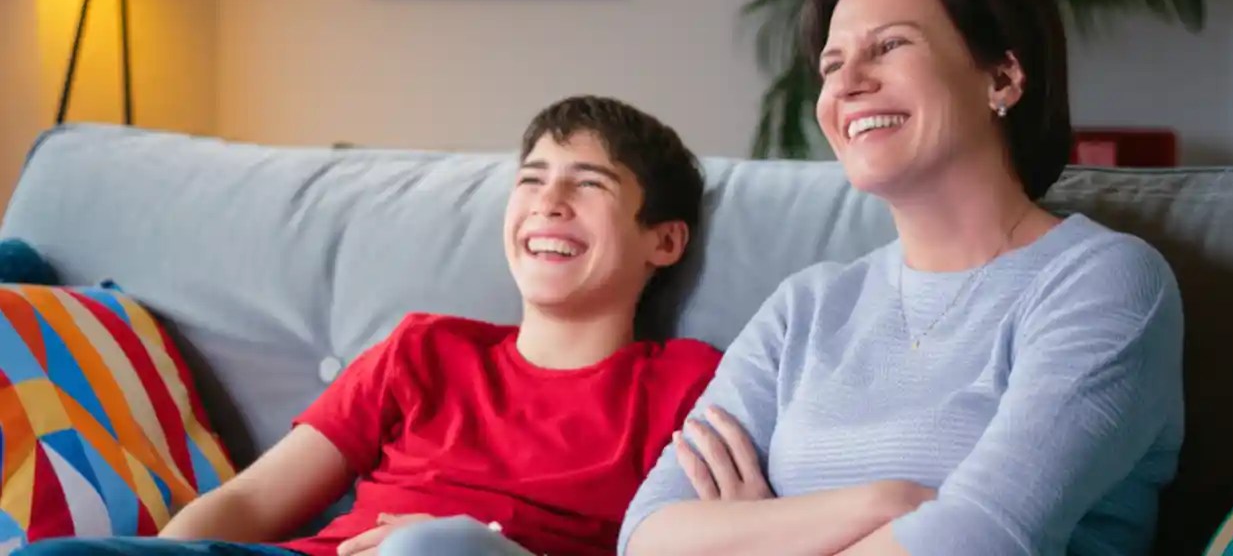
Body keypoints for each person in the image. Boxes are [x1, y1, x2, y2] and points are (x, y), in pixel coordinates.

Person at [621, 0, 1184, 556]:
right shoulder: (803, 308)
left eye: (889, 46)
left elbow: (982, 539)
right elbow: (648, 537)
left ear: (1002, 76)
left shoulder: (1102, 282)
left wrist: (766, 532)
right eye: (832, 65)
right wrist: (888, 502)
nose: (848, 83)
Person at [23, 95, 721, 556]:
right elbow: (252, 499)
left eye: (590, 183)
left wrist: (470, 540)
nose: (550, 202)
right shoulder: (426, 351)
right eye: (532, 179)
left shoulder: (688, 385)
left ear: (664, 241)